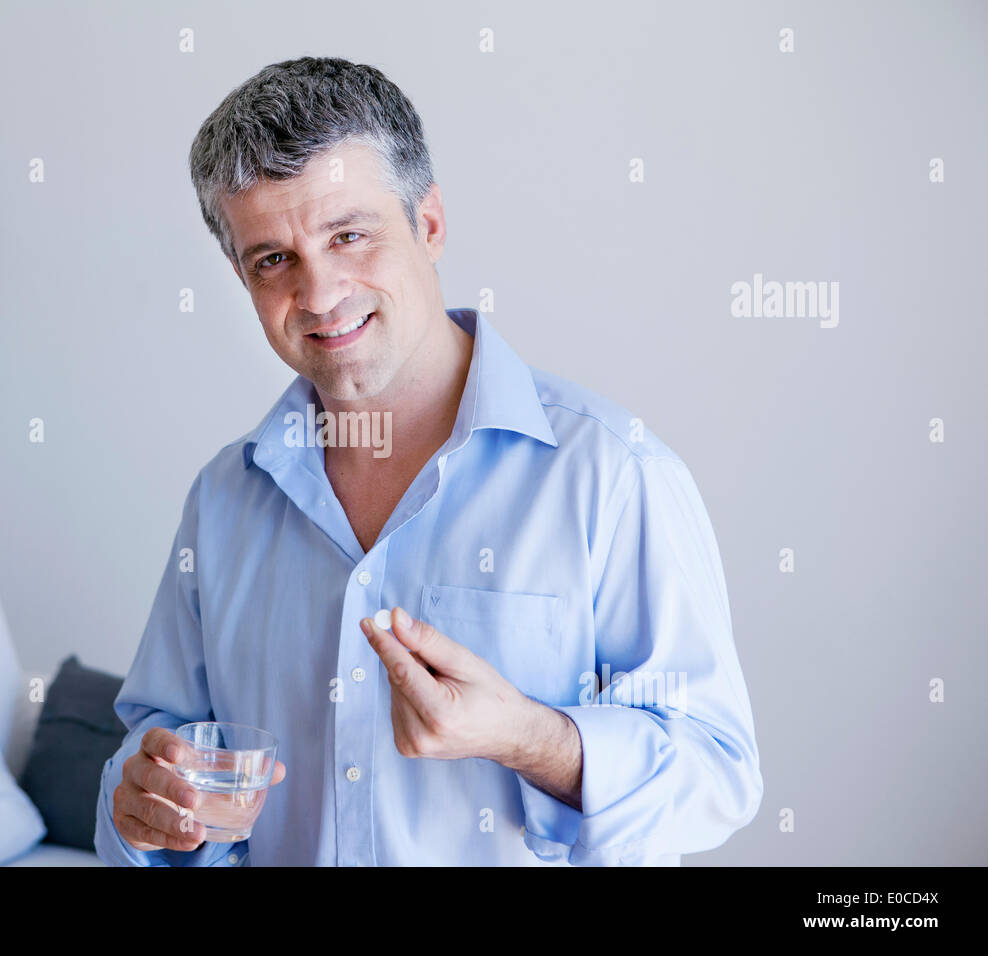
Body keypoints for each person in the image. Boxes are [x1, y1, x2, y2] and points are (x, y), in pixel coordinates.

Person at [95, 56, 762, 866]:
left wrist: (535, 741)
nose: (319, 293)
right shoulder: (224, 499)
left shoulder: (613, 475)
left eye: (350, 234)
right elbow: (158, 750)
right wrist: (141, 811)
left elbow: (718, 775)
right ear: (241, 276)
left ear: (430, 224)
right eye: (274, 260)